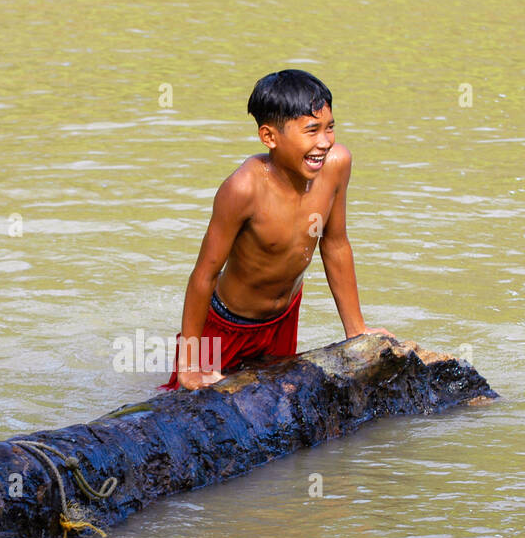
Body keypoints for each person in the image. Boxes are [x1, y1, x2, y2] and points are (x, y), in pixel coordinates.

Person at [161, 69, 396, 391]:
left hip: (283, 318)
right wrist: (191, 364)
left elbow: (336, 244)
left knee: (273, 403)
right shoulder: (243, 189)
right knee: (186, 404)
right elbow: (204, 274)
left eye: (330, 128)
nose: (325, 142)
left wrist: (356, 330)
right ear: (270, 137)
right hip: (227, 324)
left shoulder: (337, 165)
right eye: (311, 131)